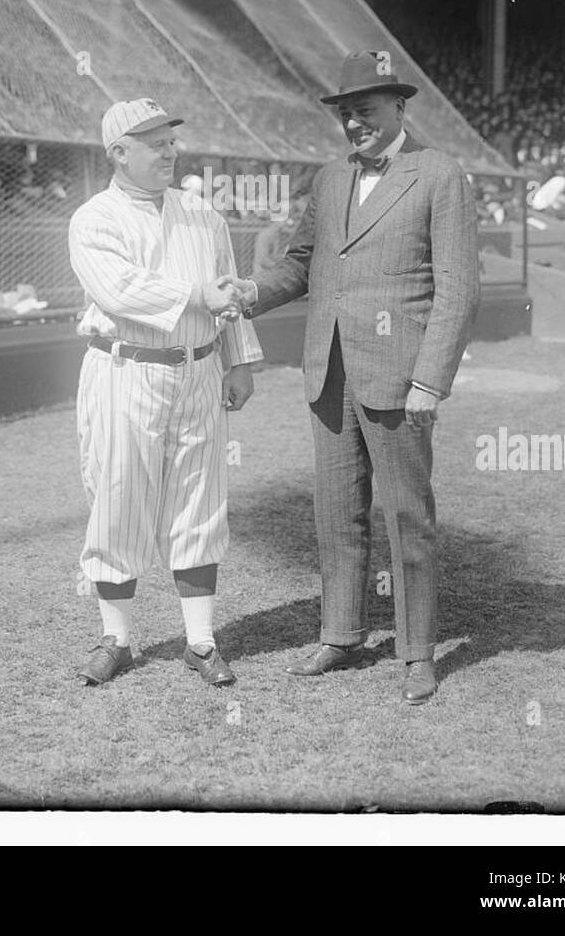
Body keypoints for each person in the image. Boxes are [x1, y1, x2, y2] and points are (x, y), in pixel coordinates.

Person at [227, 50, 480, 704]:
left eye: (364, 111)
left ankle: (417, 650)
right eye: (345, 114)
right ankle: (339, 633)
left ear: (399, 106)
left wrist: (430, 380)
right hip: (328, 372)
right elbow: (301, 265)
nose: (353, 125)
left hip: (398, 377)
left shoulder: (439, 175)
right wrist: (251, 290)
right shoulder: (330, 177)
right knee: (336, 515)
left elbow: (456, 290)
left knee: (406, 516)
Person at [69, 98, 262, 689]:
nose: (169, 150)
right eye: (153, 142)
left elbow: (226, 290)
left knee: (200, 501)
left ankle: (200, 641)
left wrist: (239, 358)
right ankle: (118, 639)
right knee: (119, 502)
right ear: (118, 153)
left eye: (171, 139)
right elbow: (121, 291)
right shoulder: (94, 217)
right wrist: (198, 296)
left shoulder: (203, 214)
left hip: (199, 367)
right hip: (125, 370)